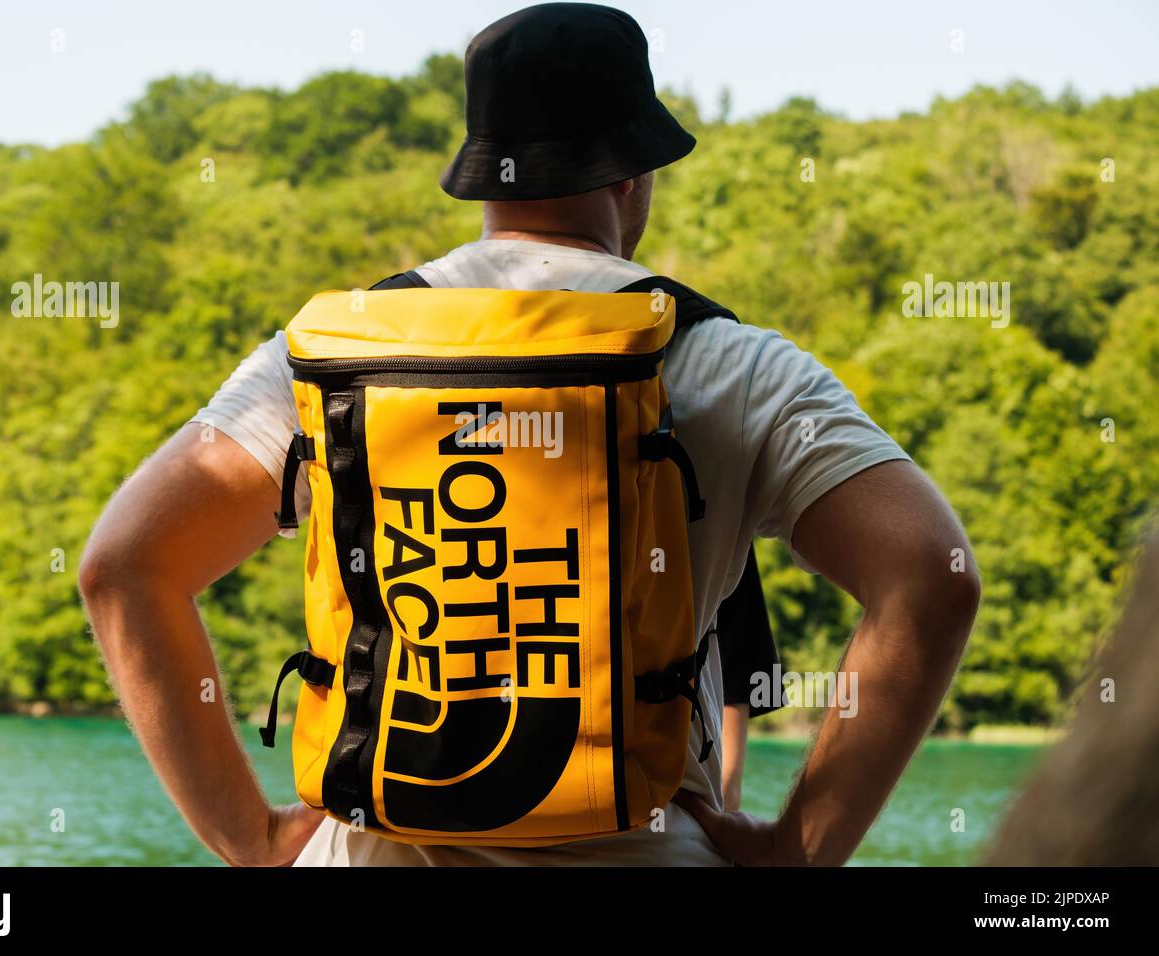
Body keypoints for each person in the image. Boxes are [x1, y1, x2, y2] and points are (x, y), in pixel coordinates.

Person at [79, 2, 980, 866]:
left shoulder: (326, 359)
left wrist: (250, 838)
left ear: (481, 167)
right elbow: (931, 577)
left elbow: (124, 568)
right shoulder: (730, 364)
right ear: (632, 171)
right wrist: (797, 850)